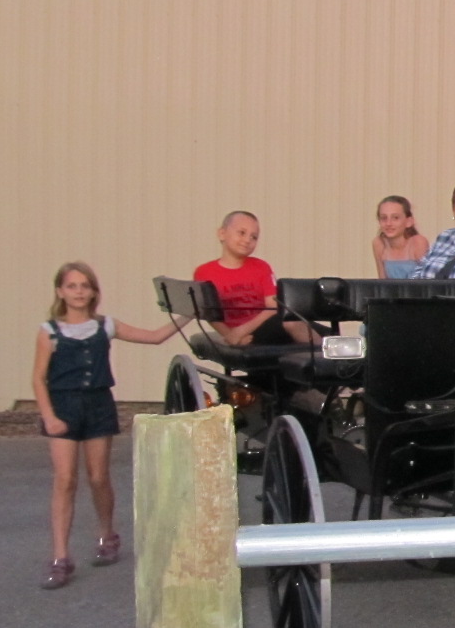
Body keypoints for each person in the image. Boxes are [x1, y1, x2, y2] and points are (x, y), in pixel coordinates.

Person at [33, 263, 182, 589]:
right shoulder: (50, 331)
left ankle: (106, 533)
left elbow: (154, 337)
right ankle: (60, 556)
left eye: (85, 285)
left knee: (99, 477)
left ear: (94, 292)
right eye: (72, 286)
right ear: (60, 291)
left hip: (98, 405)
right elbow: (39, 378)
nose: (79, 292)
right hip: (63, 406)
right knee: (65, 479)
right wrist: (49, 416)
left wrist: (188, 313)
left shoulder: (105, 326)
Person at [194, 211, 312, 345]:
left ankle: (325, 355)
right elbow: (210, 314)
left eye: (254, 237)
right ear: (222, 234)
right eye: (241, 233)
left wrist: (241, 331)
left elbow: (273, 307)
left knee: (308, 326)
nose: (247, 240)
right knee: (292, 322)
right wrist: (231, 336)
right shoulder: (204, 272)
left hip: (265, 326)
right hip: (248, 334)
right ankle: (326, 357)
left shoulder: (261, 267)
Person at [371, 195, 430, 279]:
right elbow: (382, 281)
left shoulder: (418, 242)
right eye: (384, 218)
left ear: (409, 221)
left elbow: (426, 280)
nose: (388, 223)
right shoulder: (379, 244)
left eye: (395, 218)